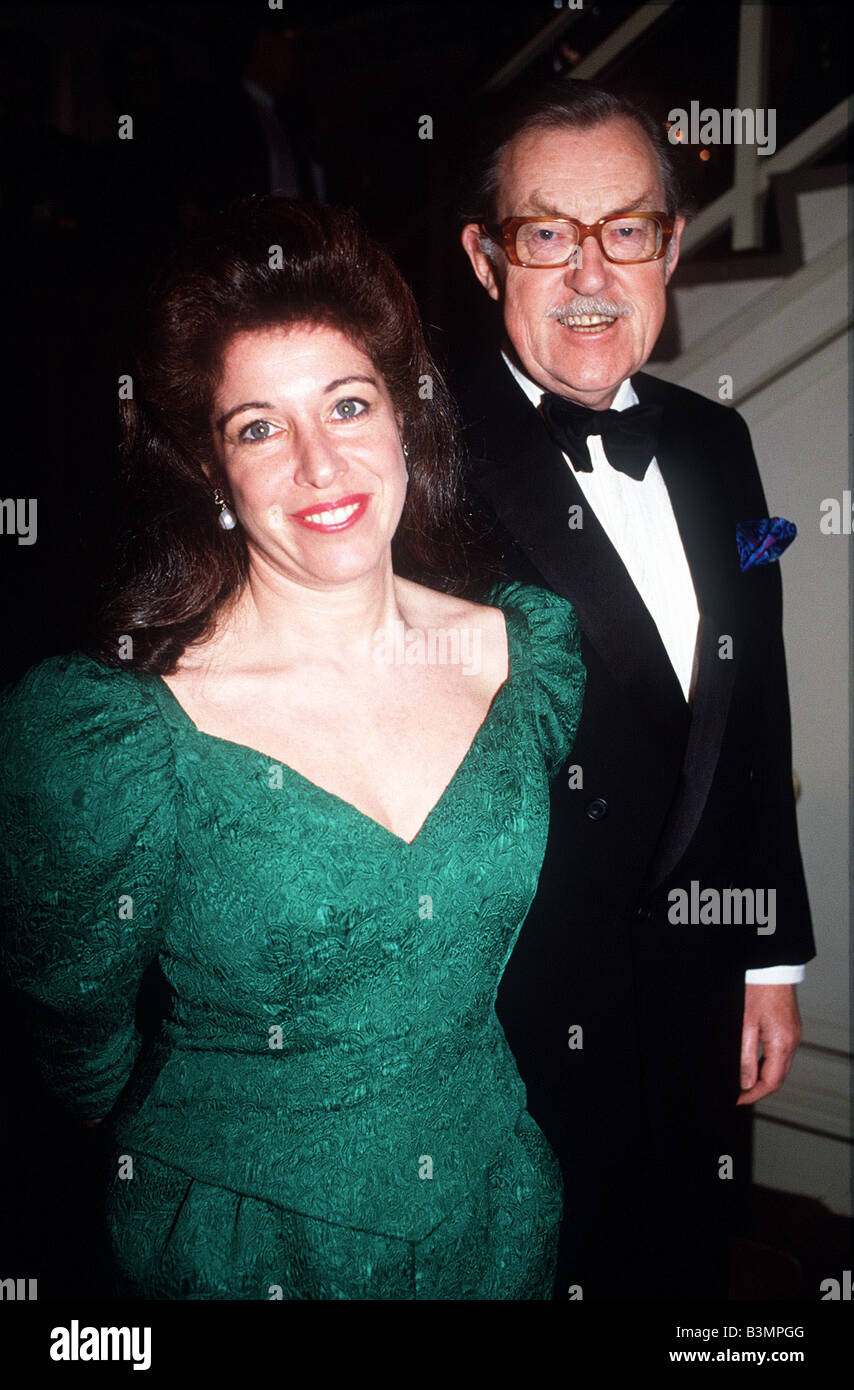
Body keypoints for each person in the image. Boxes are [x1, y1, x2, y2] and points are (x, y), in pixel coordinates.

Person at [0, 197, 585, 1301]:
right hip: (240, 1246)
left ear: (403, 419)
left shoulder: (524, 654)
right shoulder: (111, 734)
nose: (320, 463)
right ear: (210, 473)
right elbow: (79, 1047)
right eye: (257, 426)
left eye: (347, 403)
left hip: (495, 1214)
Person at [454, 78, 816, 1299]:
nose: (589, 274)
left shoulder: (715, 441)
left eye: (625, 230)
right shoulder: (413, 467)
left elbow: (750, 714)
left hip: (701, 981)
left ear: (669, 246)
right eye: (546, 233)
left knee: (684, 1272)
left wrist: (770, 960)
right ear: (484, 256)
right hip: (511, 1018)